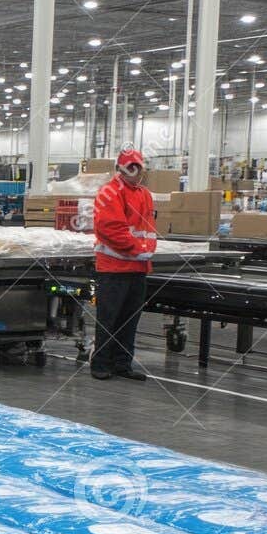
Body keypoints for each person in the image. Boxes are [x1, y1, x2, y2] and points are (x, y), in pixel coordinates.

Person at [91, 148, 157, 381]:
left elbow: (148, 229)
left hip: (138, 268)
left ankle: (122, 364)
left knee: (129, 320)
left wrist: (147, 251)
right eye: (132, 168)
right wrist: (137, 250)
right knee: (109, 319)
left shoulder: (144, 194)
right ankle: (101, 363)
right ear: (121, 169)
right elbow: (110, 228)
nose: (136, 172)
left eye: (139, 168)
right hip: (114, 268)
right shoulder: (110, 192)